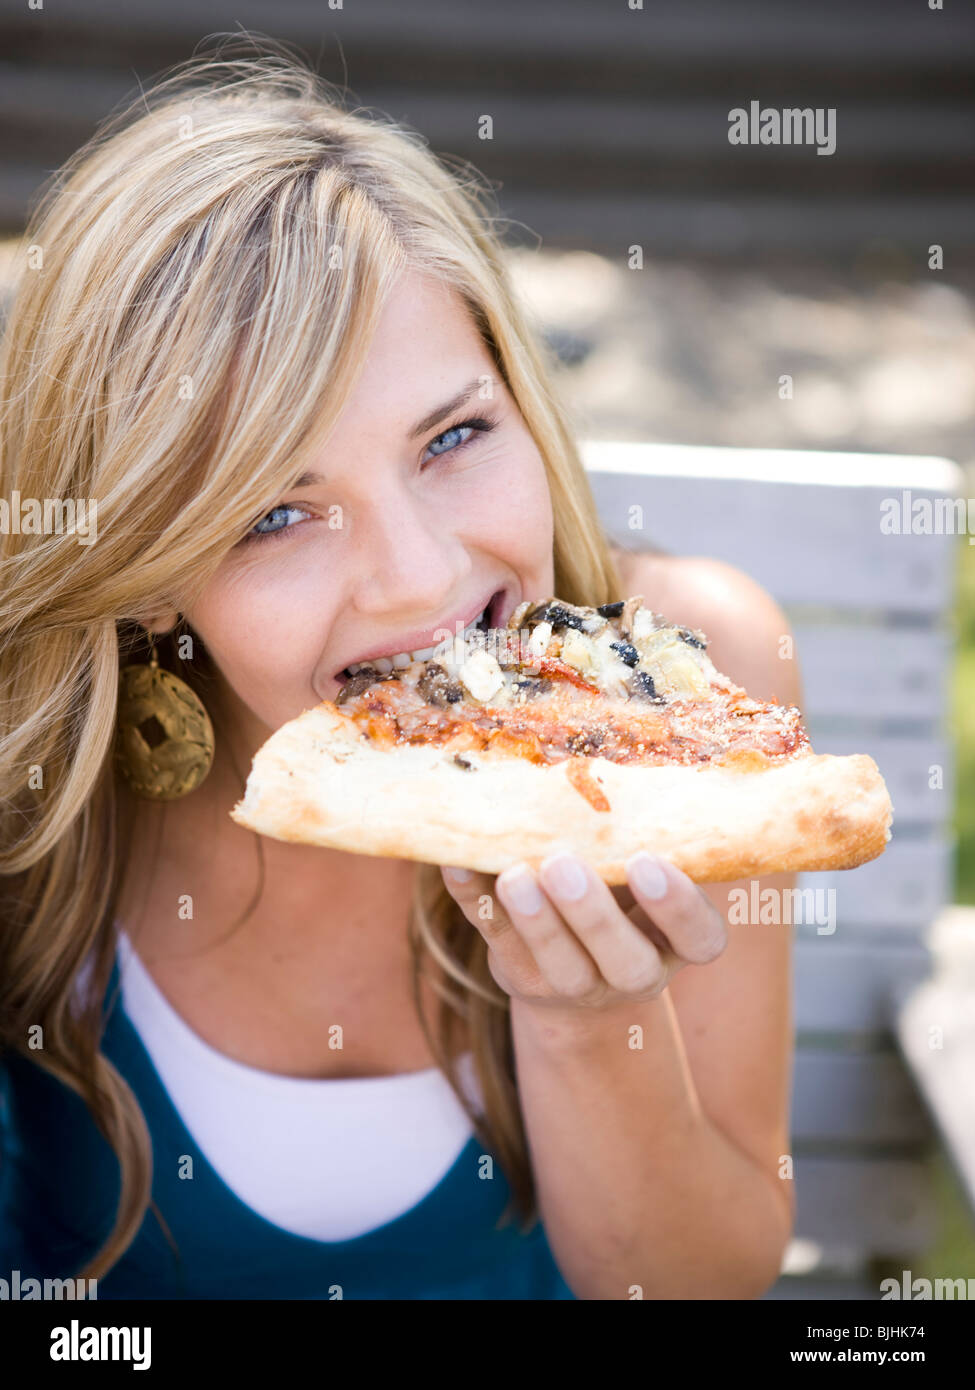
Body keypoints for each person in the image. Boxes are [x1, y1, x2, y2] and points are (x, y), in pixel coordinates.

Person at [0, 44, 799, 1300]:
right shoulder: (38, 790)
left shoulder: (691, 701)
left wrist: (591, 1020)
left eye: (455, 436)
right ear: (147, 568)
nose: (419, 577)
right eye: (275, 514)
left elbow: (703, 1284)